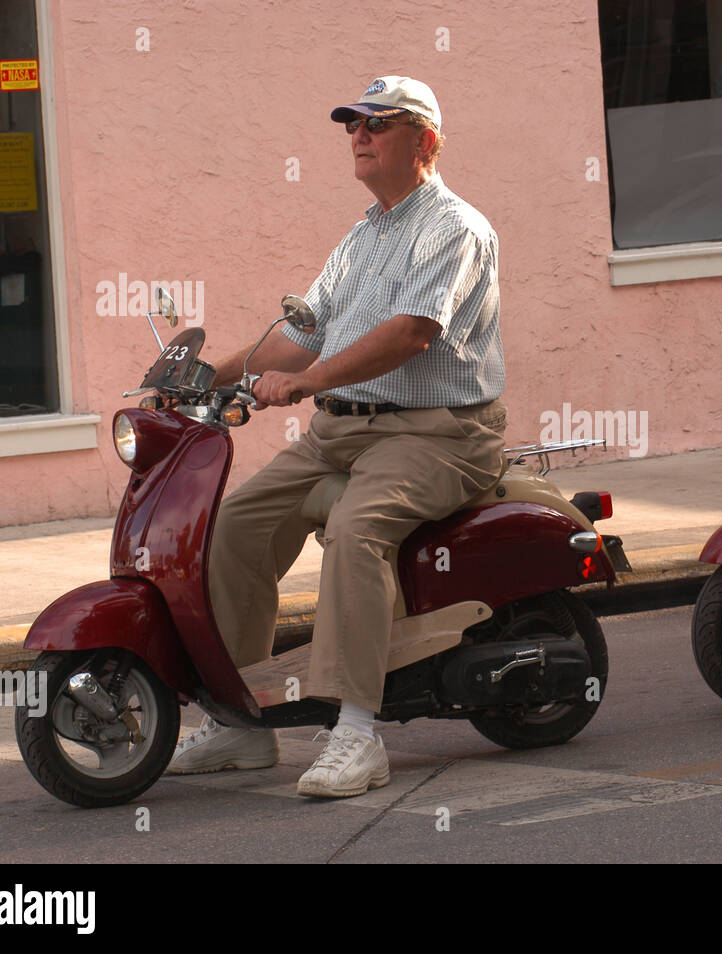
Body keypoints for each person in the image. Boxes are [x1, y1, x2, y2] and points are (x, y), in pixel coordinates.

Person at [167, 75, 507, 795]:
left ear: (426, 140)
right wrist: (203, 372)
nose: (359, 134)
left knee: (356, 532)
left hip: (436, 436)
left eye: (378, 124)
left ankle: (356, 732)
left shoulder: (456, 228)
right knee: (235, 526)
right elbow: (299, 335)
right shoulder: (360, 238)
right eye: (353, 123)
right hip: (342, 435)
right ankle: (239, 725)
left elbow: (411, 335)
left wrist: (310, 382)